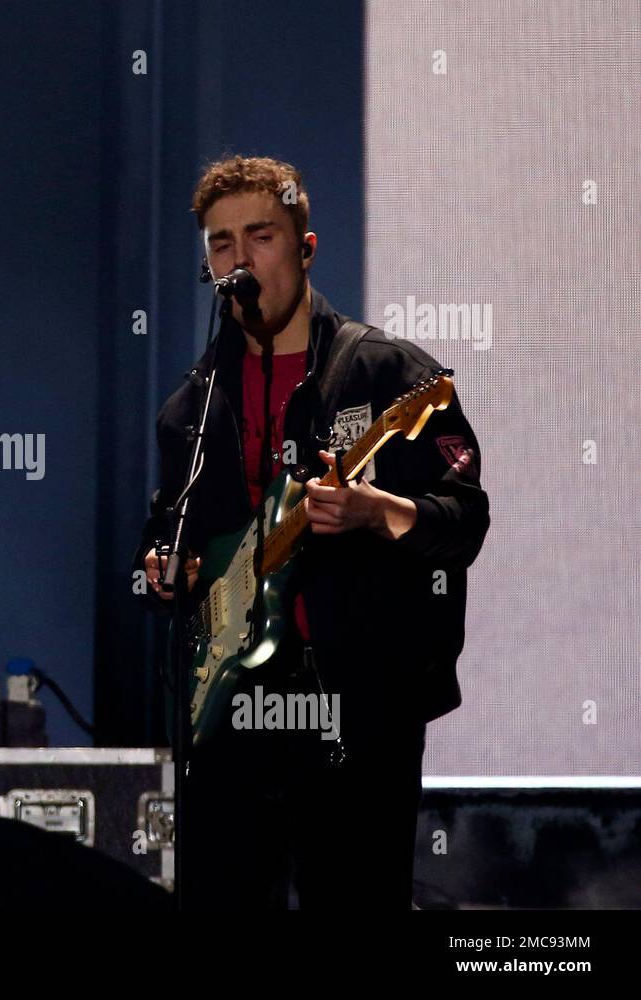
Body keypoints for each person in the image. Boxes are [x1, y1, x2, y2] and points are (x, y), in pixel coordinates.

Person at [133, 155, 490, 909]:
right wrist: (171, 570)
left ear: (305, 246)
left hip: (356, 712)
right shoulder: (192, 408)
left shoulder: (389, 375)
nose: (239, 258)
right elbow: (163, 537)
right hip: (231, 712)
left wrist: (375, 510)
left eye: (259, 236)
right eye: (220, 243)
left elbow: (465, 519)